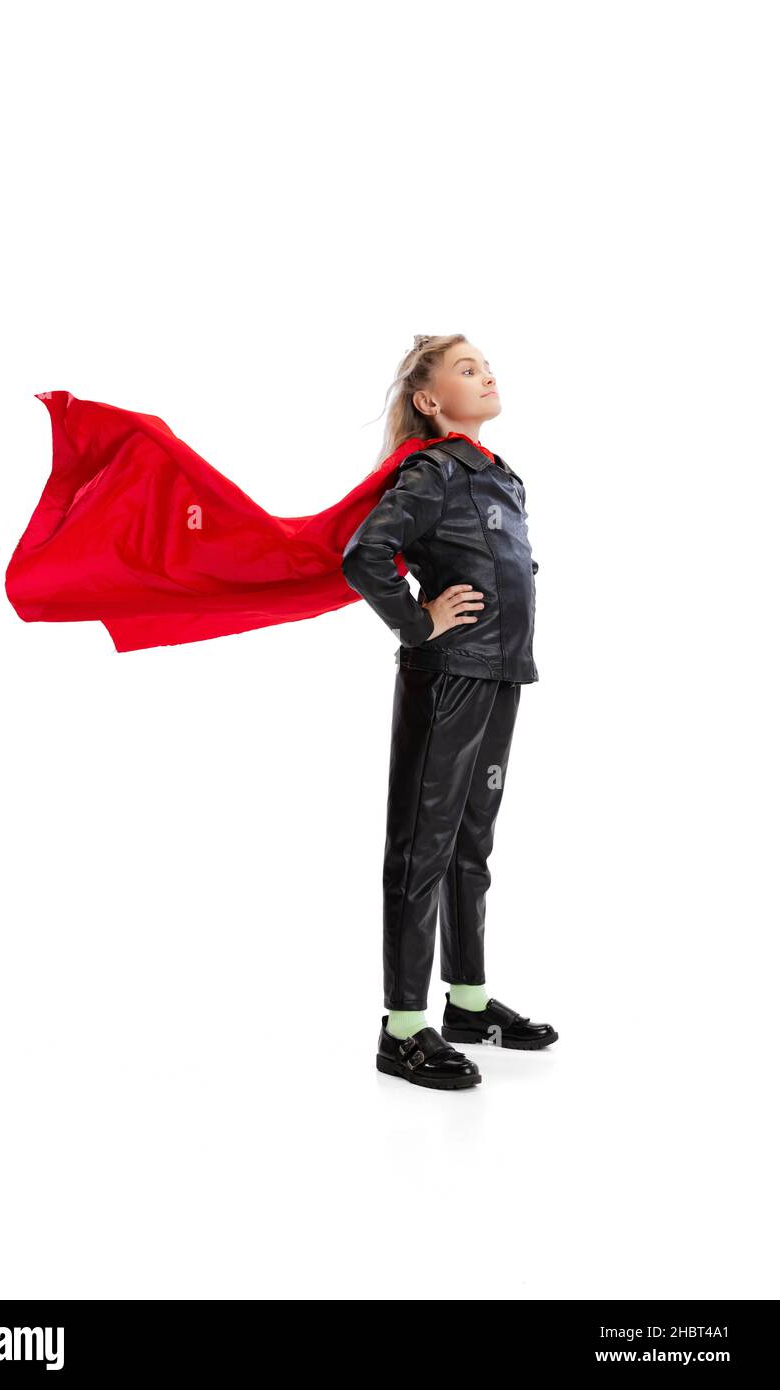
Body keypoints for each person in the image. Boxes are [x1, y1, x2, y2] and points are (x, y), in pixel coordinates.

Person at [341, 333, 559, 1091]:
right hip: (449, 676)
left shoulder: (499, 475)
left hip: (501, 672)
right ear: (429, 402)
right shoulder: (432, 472)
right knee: (421, 847)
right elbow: (364, 554)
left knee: (471, 844)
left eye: (487, 365)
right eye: (467, 369)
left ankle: (467, 1003)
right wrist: (416, 620)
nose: (487, 374)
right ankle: (402, 1029)